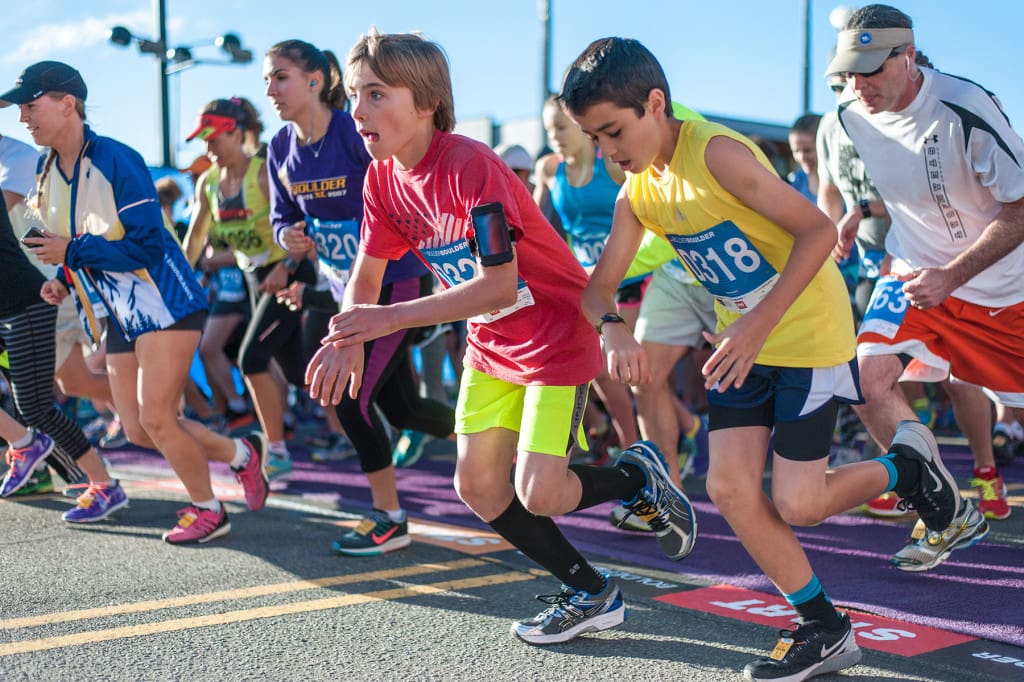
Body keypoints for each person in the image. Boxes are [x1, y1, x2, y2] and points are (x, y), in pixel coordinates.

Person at [563, 36, 966, 681]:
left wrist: (756, 325)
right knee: (728, 489)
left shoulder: (716, 152)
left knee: (800, 503)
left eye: (612, 132)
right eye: (594, 138)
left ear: (655, 105)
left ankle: (909, 470)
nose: (607, 151)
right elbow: (597, 290)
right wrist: (612, 330)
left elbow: (813, 230)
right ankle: (825, 628)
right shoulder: (637, 190)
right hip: (743, 346)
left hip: (805, 330)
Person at [307, 27, 695, 643]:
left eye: (375, 94)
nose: (357, 110)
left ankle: (636, 478)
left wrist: (384, 320)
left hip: (554, 333)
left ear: (426, 102)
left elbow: (496, 284)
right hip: (493, 343)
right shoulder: (382, 180)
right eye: (354, 94)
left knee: (539, 492)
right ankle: (593, 592)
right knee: (478, 485)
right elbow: (368, 270)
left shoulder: (471, 167)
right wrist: (349, 332)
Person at [3, 60, 269, 544]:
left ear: (69, 105)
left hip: (166, 302)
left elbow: (147, 245)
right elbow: (80, 241)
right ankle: (241, 455)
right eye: (20, 108)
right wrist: (63, 278)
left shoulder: (117, 158)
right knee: (139, 428)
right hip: (123, 312)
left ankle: (208, 508)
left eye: (31, 105)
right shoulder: (48, 170)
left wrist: (72, 253)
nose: (22, 117)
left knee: (156, 418)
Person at [827, 5, 1021, 551]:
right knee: (865, 380)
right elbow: (900, 185)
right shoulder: (849, 113)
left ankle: (985, 471)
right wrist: (857, 211)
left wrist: (954, 275)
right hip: (911, 273)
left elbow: (1021, 206)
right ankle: (947, 508)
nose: (858, 84)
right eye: (850, 71)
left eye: (872, 69)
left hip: (999, 291)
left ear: (908, 57)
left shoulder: (966, 107)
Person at [264, 38, 455, 554]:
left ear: (314, 79)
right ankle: (502, 440)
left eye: (280, 76)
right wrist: (289, 238)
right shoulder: (279, 147)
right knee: (406, 408)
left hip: (395, 285)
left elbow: (396, 184)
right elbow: (282, 217)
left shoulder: (357, 130)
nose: (271, 88)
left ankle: (389, 515)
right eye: (266, 79)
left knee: (350, 400)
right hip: (340, 288)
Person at [535, 95, 639, 460]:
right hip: (586, 283)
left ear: (580, 126)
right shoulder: (549, 169)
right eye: (549, 130)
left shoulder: (611, 165)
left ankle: (649, 445)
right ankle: (629, 445)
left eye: (561, 127)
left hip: (629, 273)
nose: (555, 137)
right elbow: (535, 226)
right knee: (601, 368)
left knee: (626, 370)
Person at [787, 114, 822, 202]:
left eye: (808, 150)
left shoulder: (842, 180)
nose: (802, 157)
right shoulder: (796, 182)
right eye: (796, 151)